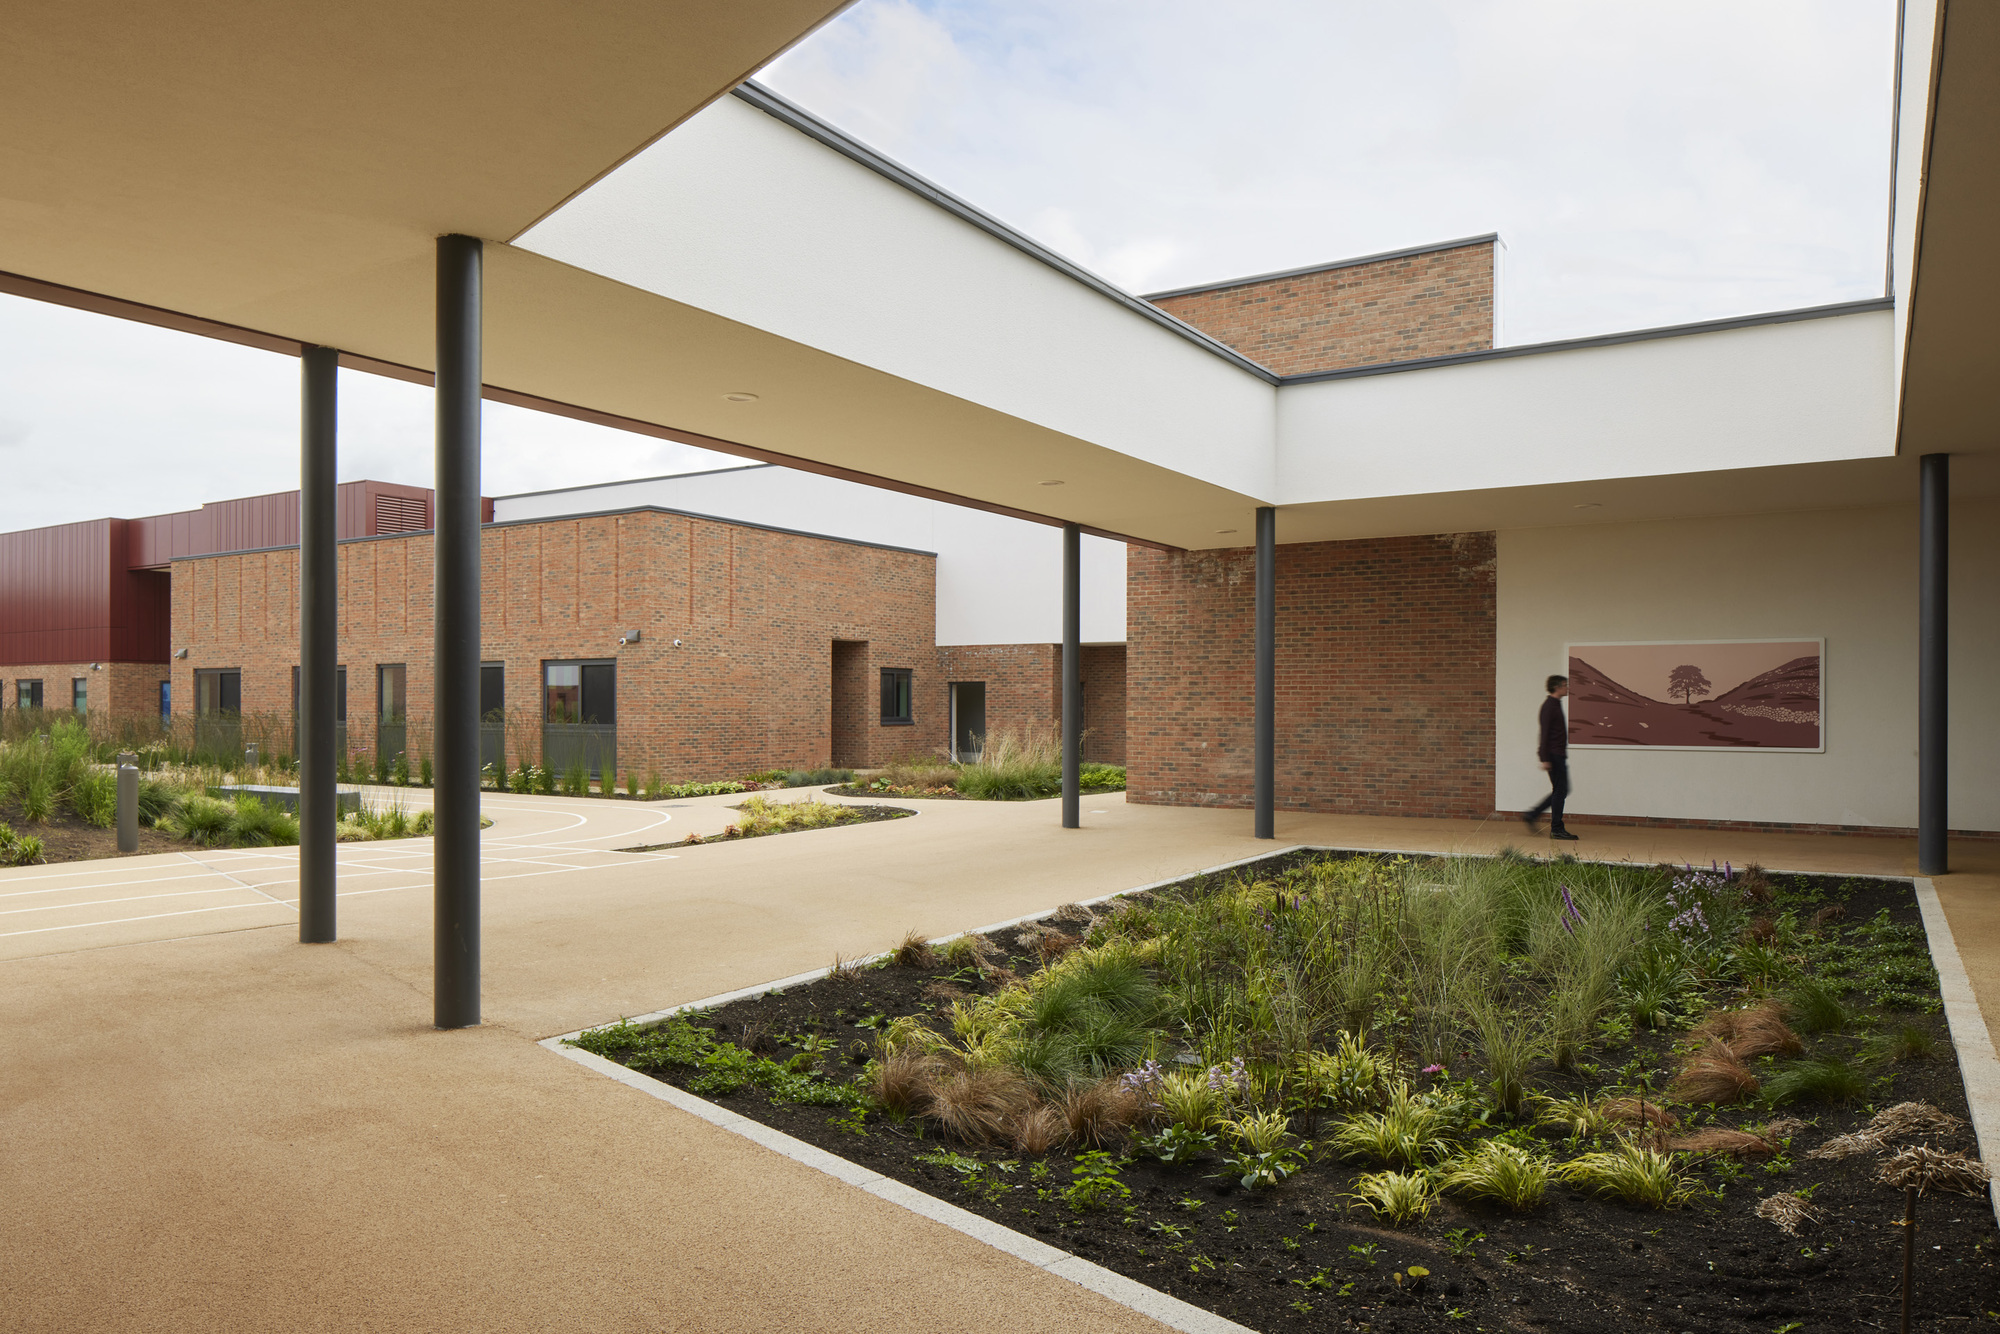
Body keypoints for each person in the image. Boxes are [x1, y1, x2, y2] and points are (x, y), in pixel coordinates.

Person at [1525, 674, 1578, 840]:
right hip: (1554, 755)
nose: (1567, 687)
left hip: (1557, 754)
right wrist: (1544, 757)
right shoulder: (1549, 706)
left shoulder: (1555, 704)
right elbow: (1545, 733)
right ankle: (1556, 828)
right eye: (1565, 685)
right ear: (1557, 687)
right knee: (1561, 790)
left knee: (1560, 790)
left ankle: (1533, 815)